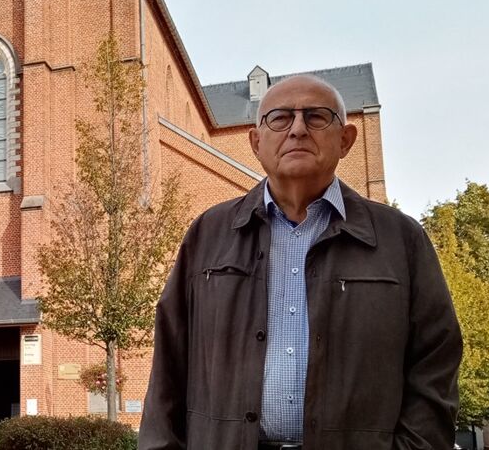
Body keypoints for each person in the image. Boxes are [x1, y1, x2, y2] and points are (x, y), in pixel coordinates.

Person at [137, 74, 461, 450]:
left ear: (346, 140)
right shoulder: (209, 234)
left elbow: (436, 359)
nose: (298, 130)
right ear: (256, 143)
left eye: (317, 117)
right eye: (280, 118)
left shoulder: (399, 238)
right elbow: (169, 364)